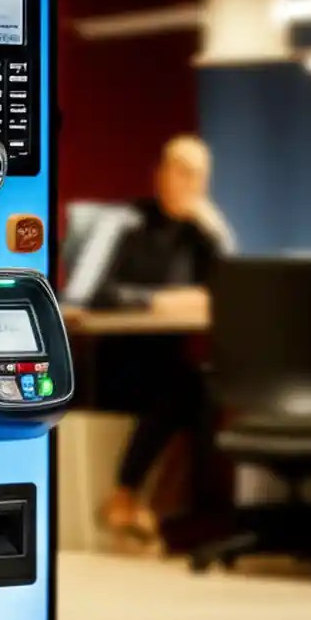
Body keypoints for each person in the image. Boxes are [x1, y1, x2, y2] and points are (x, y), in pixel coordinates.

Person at [98, 135, 236, 543]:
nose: (187, 182)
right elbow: (100, 291)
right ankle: (126, 496)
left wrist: (217, 231)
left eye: (197, 175)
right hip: (115, 360)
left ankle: (188, 513)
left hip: (169, 363)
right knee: (180, 387)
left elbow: (232, 287)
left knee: (204, 390)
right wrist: (158, 300)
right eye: (180, 170)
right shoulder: (127, 222)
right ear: (159, 174)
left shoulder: (199, 233)